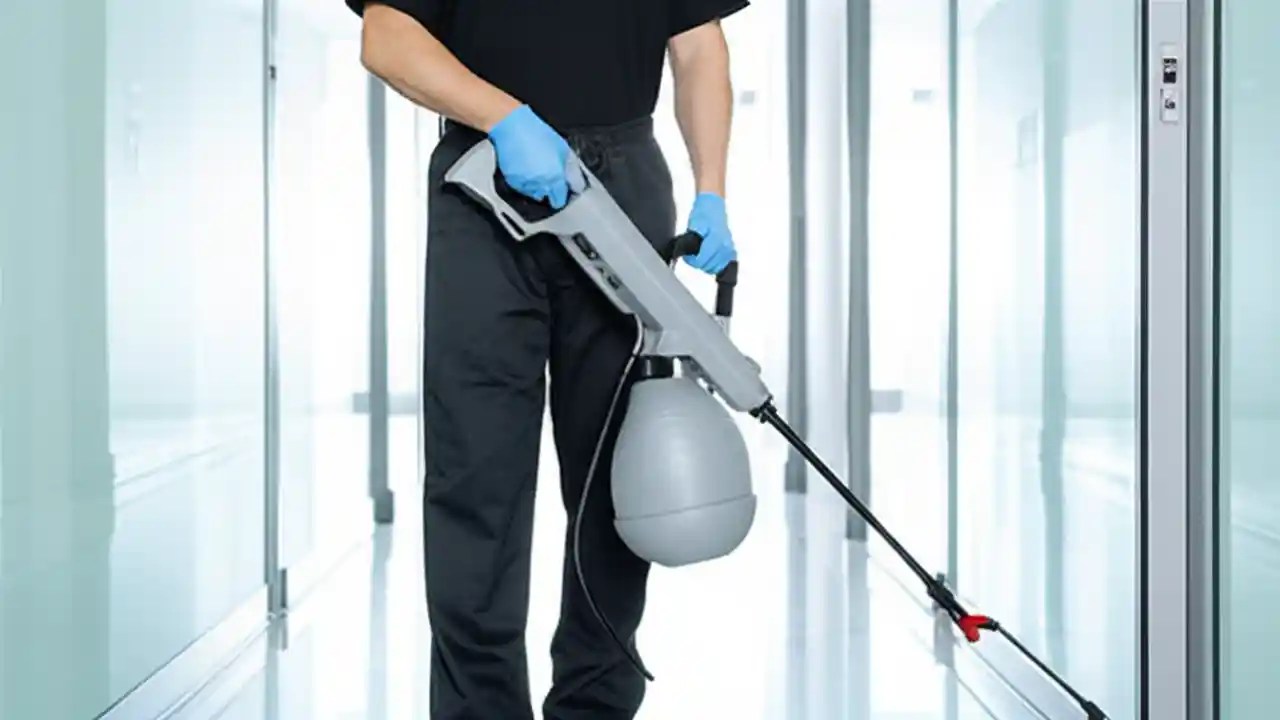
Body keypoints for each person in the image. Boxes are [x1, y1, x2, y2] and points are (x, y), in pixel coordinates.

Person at [348, 1, 746, 717]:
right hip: (487, 181)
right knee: (475, 475)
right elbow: (387, 37)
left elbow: (699, 48)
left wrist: (711, 189)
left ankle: (595, 705)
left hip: (625, 187)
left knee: (615, 474)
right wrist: (503, 117)